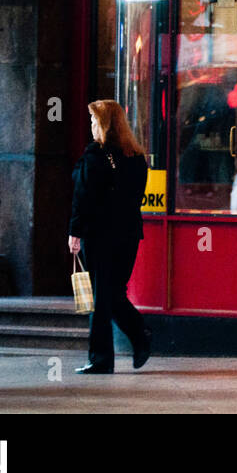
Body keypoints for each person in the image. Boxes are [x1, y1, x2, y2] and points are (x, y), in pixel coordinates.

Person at [68, 100, 152, 374]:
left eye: (94, 121)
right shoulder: (137, 158)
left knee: (101, 298)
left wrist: (75, 231)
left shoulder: (95, 156)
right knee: (113, 293)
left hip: (100, 234)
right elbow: (134, 198)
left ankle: (102, 358)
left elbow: (83, 197)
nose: (91, 126)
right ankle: (140, 335)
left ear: (103, 125)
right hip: (128, 234)